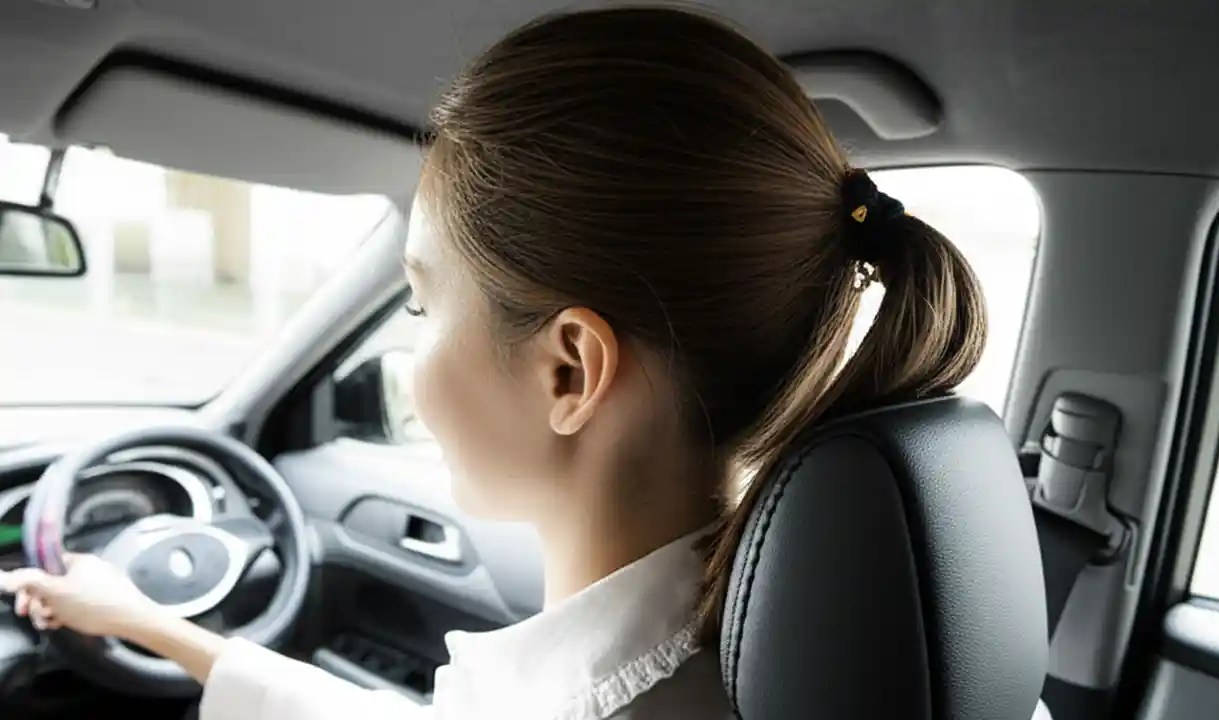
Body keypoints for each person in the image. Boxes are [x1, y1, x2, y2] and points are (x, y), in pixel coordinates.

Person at [0, 5, 985, 719]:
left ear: (568, 371)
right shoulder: (763, 636)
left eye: (422, 304)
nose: (409, 364)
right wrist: (159, 628)